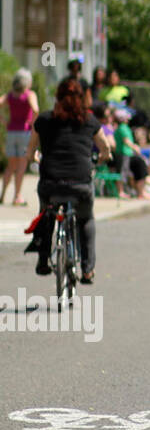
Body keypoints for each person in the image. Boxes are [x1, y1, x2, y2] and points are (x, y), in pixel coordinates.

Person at [24, 78, 114, 284]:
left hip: (50, 183)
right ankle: (88, 269)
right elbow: (105, 147)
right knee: (86, 219)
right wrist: (103, 158)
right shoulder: (89, 121)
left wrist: (36, 158)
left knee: (46, 215)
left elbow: (30, 152)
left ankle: (43, 260)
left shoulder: (44, 120)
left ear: (57, 97)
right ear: (81, 98)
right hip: (80, 183)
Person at [2, 69, 39, 205]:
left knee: (11, 166)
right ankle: (17, 196)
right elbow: (35, 109)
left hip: (11, 132)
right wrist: (32, 122)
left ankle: (3, 194)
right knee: (21, 166)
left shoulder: (10, 95)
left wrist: (4, 120)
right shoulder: (29, 94)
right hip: (24, 132)